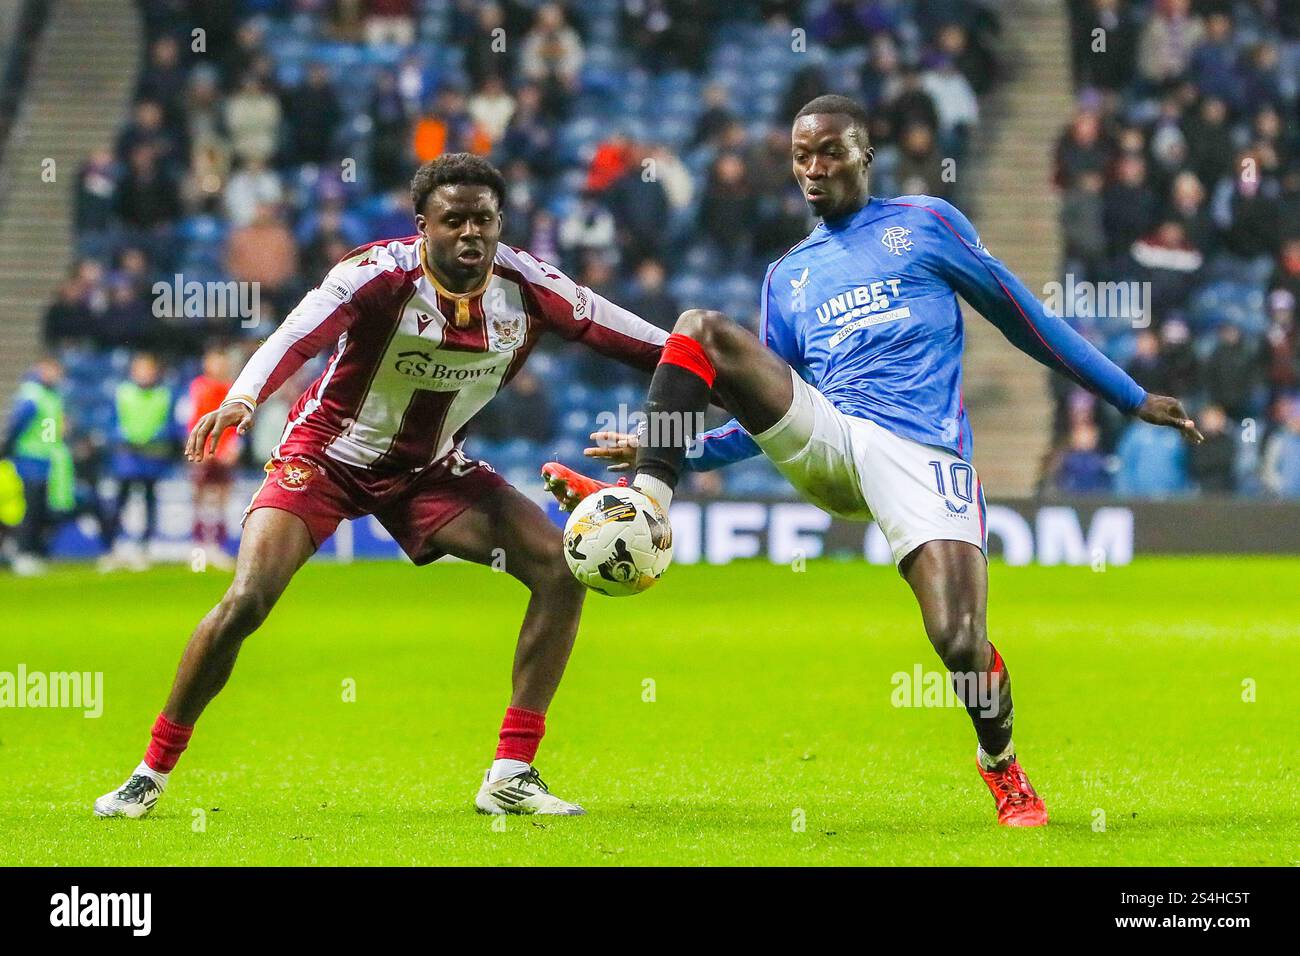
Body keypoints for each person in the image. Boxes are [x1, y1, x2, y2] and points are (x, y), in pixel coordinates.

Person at [543, 96, 1202, 827]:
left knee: (958, 641)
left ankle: (1001, 766)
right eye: (801, 156)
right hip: (832, 438)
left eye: (829, 151)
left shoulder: (925, 225)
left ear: (866, 154)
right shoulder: (787, 277)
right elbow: (770, 415)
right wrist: (674, 451)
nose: (813, 169)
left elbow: (1026, 318)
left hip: (922, 456)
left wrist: (1129, 394)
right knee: (698, 329)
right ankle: (645, 503)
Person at [94, 153, 667, 820]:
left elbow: (651, 345)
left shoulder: (532, 287)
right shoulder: (375, 274)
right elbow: (294, 337)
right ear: (424, 226)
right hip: (325, 457)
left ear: (501, 223)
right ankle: (151, 771)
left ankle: (511, 771)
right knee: (249, 598)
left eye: (484, 219)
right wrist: (245, 399)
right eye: (454, 220)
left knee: (559, 567)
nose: (471, 234)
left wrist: (734, 379)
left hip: (427, 469)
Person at [0, 358, 74, 576]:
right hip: (28, 459)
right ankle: (23, 553)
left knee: (38, 509)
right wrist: (7, 451)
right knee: (28, 510)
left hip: (43, 459)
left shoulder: (50, 396)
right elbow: (16, 426)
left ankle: (31, 552)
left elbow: (47, 430)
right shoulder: (32, 395)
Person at [107, 353, 177, 568]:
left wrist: (153, 438)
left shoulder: (164, 395)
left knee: (149, 502)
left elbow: (170, 424)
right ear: (133, 371)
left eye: (148, 369)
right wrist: (124, 438)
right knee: (121, 502)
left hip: (152, 456)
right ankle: (115, 547)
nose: (145, 374)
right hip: (127, 456)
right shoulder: (122, 393)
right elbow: (111, 423)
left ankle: (143, 548)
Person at [187, 348, 239, 571]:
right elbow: (191, 419)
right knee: (199, 500)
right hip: (203, 450)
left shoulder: (232, 389)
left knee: (220, 500)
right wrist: (198, 448)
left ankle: (218, 547)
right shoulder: (197, 387)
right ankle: (198, 550)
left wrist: (233, 446)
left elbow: (237, 423)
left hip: (224, 451)